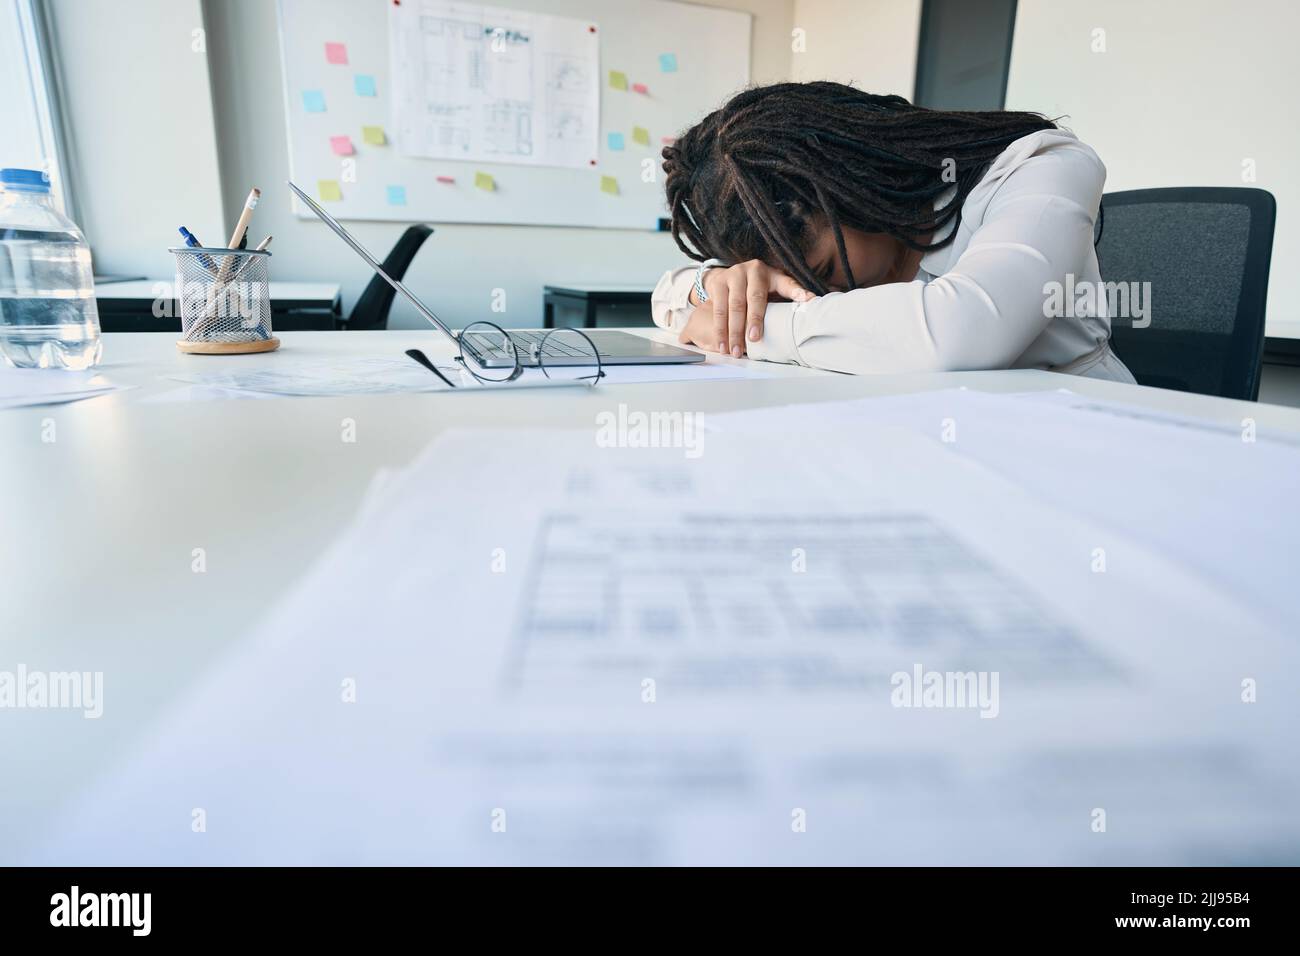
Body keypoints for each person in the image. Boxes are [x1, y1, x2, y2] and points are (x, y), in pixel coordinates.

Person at [652, 82, 1136, 382]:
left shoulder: (1042, 166)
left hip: (1078, 432)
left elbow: (963, 329)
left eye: (820, 268)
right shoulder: (808, 259)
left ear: (854, 186)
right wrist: (713, 285)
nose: (816, 292)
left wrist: (749, 331)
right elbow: (664, 300)